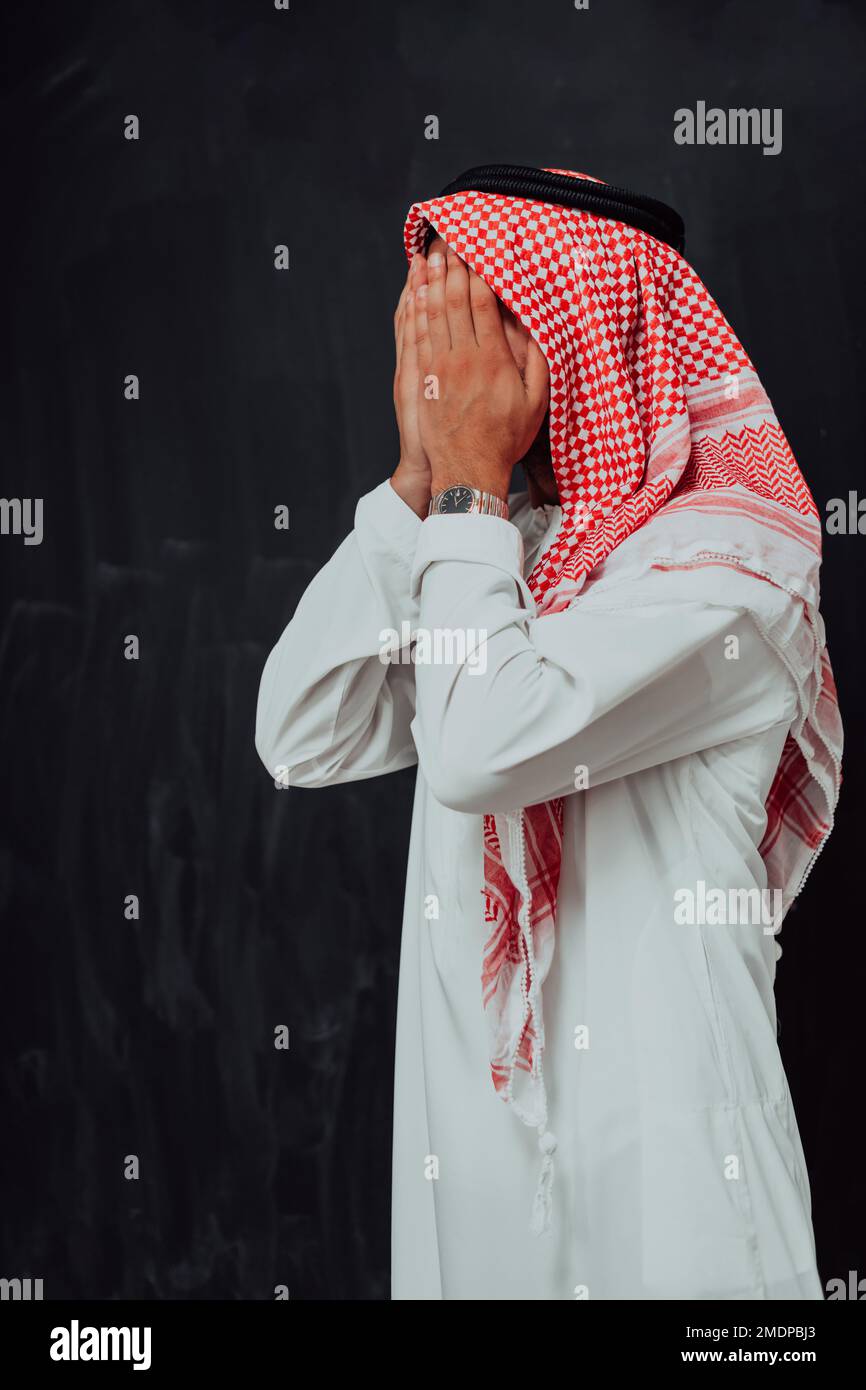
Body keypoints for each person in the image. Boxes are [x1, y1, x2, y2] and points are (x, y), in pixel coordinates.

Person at [255, 167, 842, 1300]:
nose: (454, 370)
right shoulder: (497, 549)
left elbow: (481, 746)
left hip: (671, 1207)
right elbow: (299, 733)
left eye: (481, 319)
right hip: (484, 1192)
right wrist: (419, 484)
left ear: (595, 328)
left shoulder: (735, 568)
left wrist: (466, 501)